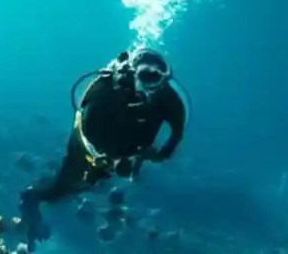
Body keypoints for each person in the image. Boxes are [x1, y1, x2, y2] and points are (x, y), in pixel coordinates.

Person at [18, 48, 188, 250]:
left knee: (108, 181)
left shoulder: (168, 98)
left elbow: (177, 133)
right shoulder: (104, 92)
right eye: (145, 76)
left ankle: (118, 174)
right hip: (91, 147)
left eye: (158, 79)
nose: (152, 86)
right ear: (132, 74)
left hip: (132, 147)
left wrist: (160, 154)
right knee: (68, 185)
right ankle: (32, 198)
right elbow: (85, 133)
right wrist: (105, 161)